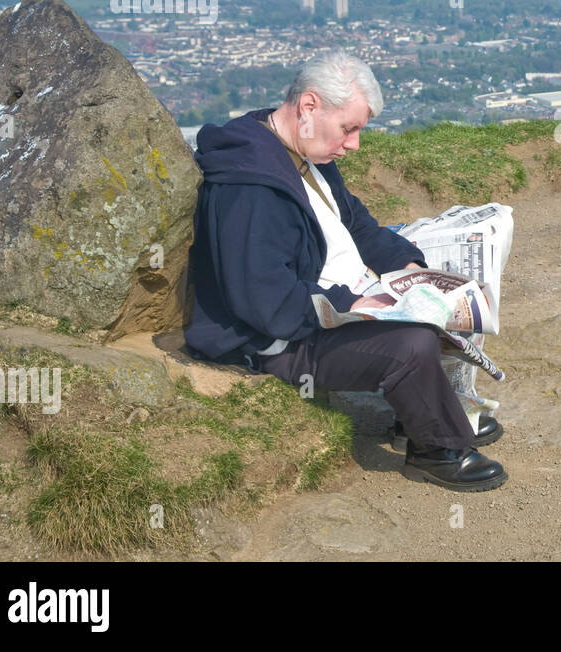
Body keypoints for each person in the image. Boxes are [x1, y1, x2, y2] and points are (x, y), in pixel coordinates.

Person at [183, 49, 507, 492]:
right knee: (409, 344)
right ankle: (438, 449)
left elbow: (354, 222)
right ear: (310, 107)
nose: (353, 144)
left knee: (438, 307)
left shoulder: (302, 151)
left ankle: (420, 417)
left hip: (326, 303)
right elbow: (263, 301)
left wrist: (410, 267)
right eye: (348, 128)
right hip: (276, 340)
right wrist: (352, 305)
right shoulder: (251, 188)